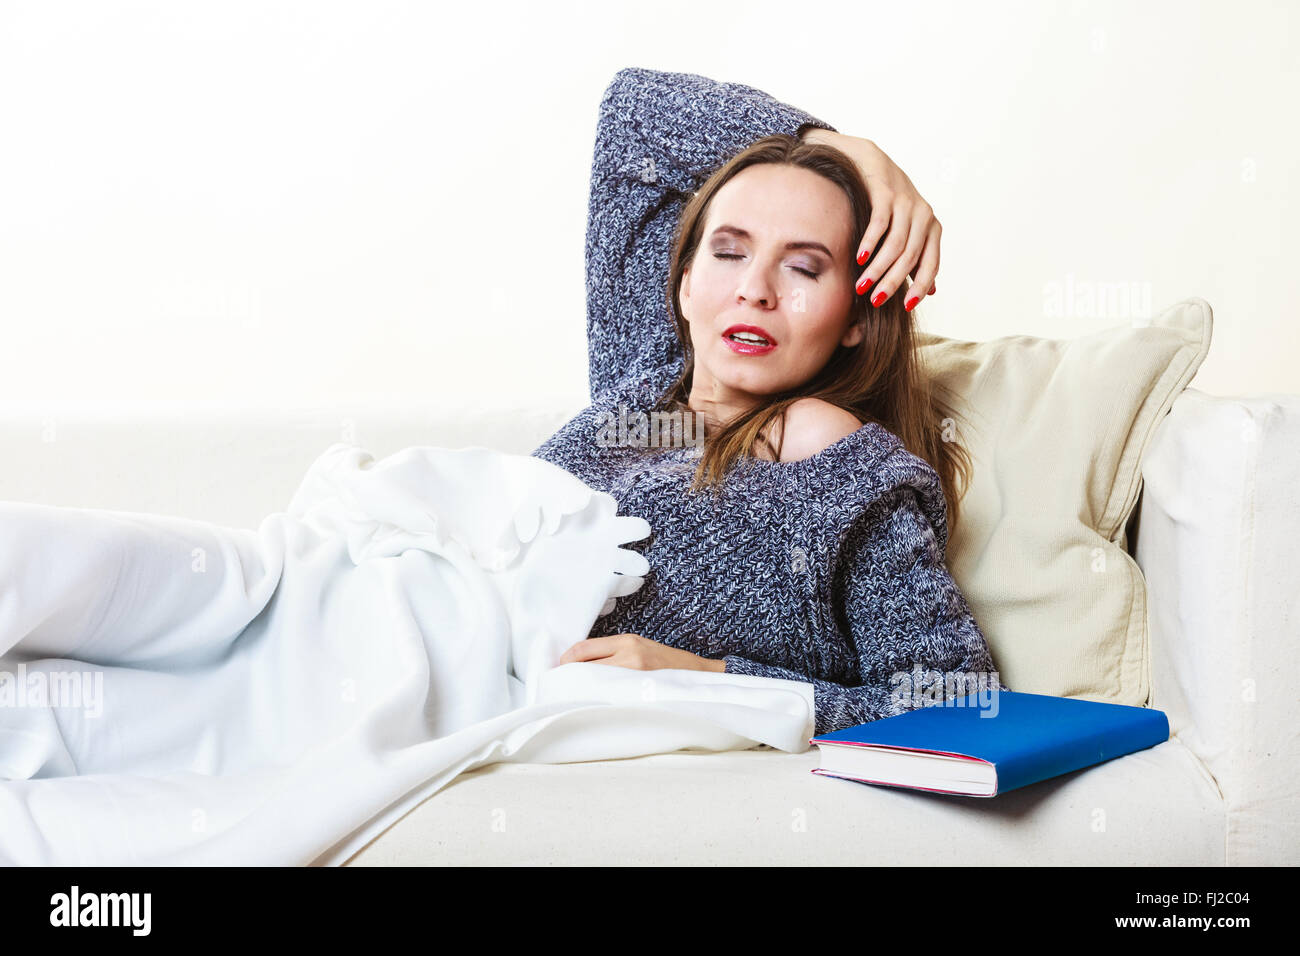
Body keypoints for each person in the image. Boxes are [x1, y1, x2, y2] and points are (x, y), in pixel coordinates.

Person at [536, 67, 1006, 736]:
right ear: (686, 283)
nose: (754, 288)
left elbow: (960, 702)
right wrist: (847, 149)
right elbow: (633, 111)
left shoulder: (820, 447)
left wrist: (710, 680)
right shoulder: (644, 372)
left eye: (804, 267)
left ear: (855, 315)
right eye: (728, 252)